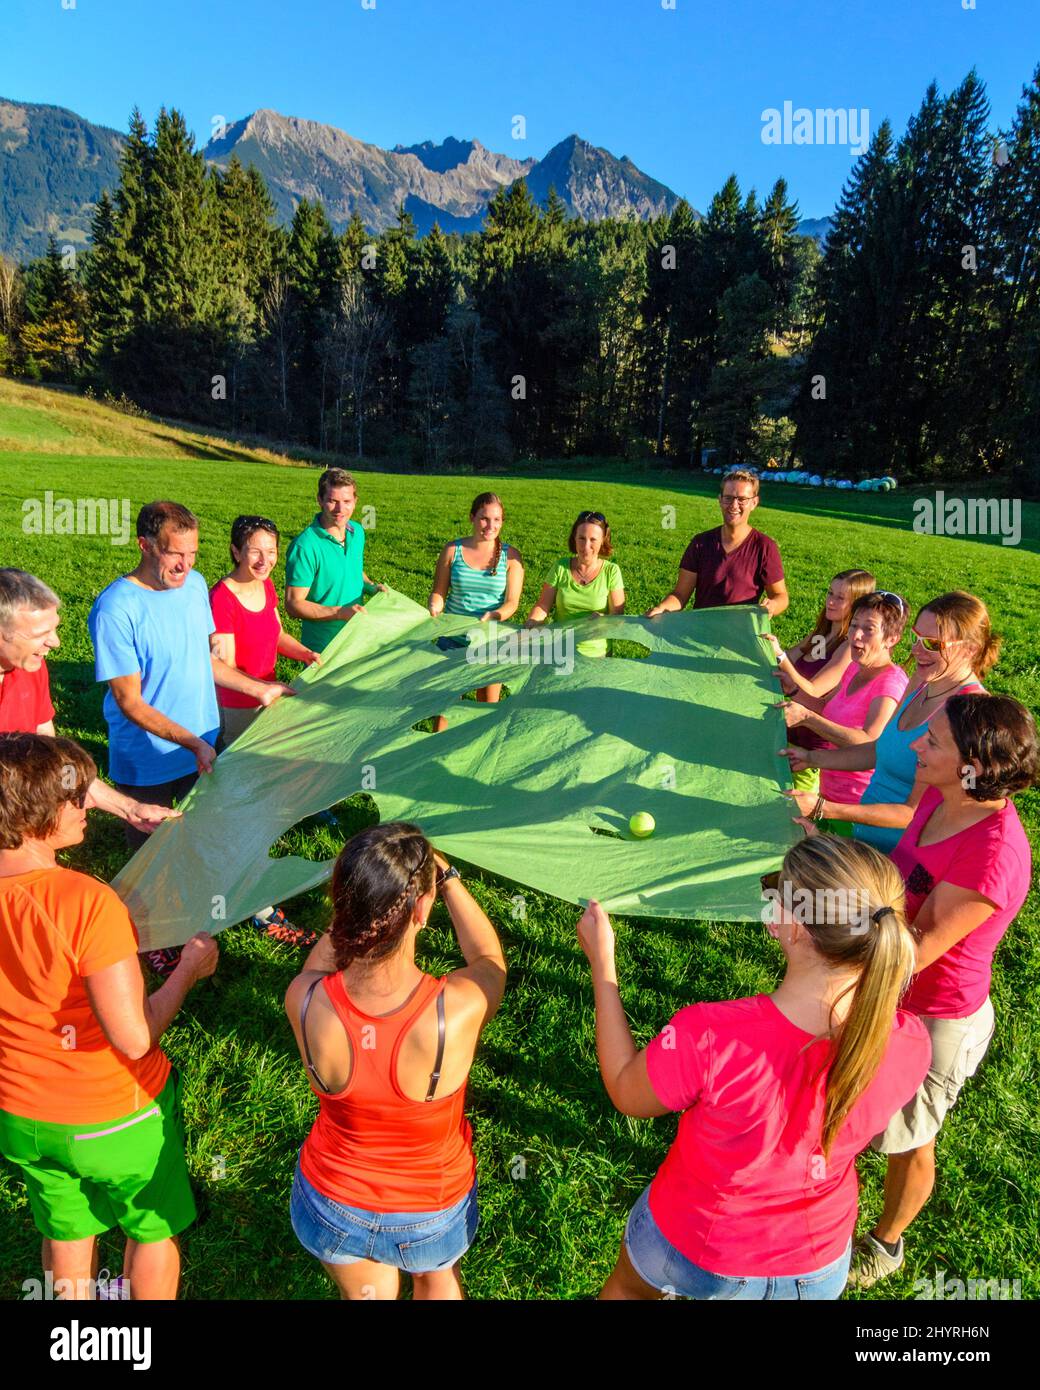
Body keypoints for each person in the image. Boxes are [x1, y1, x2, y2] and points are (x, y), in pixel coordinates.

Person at [577, 834, 930, 1300]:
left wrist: (603, 965)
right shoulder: (911, 1041)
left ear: (796, 927)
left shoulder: (710, 1035)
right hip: (819, 1266)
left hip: (697, 1247)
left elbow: (626, 1090)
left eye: (774, 890)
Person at [0, 733, 218, 1300]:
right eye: (75, 798)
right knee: (151, 1229)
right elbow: (135, 1036)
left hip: (21, 1114)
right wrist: (188, 969)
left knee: (66, 1234)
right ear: (37, 814)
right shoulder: (86, 901)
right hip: (114, 1114)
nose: (85, 805)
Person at [846, 694, 1038, 1288]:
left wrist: (831, 927)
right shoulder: (939, 792)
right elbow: (901, 872)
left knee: (908, 1136)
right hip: (887, 984)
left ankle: (886, 1243)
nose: (917, 747)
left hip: (934, 1014)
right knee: (853, 1103)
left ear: (972, 767)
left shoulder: (993, 854)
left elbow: (917, 950)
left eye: (932, 742)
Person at [284, 822, 506, 1301]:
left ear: (342, 907)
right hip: (431, 1211)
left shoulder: (303, 1000)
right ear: (420, 909)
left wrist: (351, 910)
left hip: (330, 1205)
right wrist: (448, 880)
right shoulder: (458, 1008)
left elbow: (320, 965)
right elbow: (489, 957)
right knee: (436, 1279)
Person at [89, 500, 295, 977]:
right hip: (150, 759)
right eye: (173, 554)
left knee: (216, 835)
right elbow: (130, 702)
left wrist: (258, 688)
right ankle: (149, 938)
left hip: (201, 744)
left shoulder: (195, 585)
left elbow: (207, 660)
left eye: (194, 554)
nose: (185, 565)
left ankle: (249, 907)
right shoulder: (116, 607)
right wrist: (192, 742)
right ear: (145, 545)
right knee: (154, 858)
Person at [782, 592, 996, 852]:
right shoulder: (920, 682)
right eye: (916, 637)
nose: (917, 650)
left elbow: (912, 812)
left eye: (932, 644)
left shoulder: (967, 712)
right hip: (865, 837)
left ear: (970, 649)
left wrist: (824, 809)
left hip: (902, 855)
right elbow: (879, 749)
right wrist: (811, 759)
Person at [209, 514, 322, 948]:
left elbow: (274, 635)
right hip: (241, 710)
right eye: (255, 550)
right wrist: (262, 690)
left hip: (269, 700)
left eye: (271, 551)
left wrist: (306, 652)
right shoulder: (223, 597)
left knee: (267, 788)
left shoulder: (267, 587)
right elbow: (225, 667)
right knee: (250, 796)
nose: (265, 559)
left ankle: (259, 866)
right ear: (236, 551)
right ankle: (254, 896)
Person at [0, 568, 175, 836]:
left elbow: (51, 760)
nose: (55, 642)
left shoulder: (30, 669)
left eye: (54, 628)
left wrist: (128, 808)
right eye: (39, 633)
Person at [768, 591, 909, 826]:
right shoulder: (855, 667)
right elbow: (826, 707)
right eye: (854, 626)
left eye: (869, 629)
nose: (856, 635)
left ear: (892, 638)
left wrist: (806, 718)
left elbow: (868, 742)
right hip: (828, 794)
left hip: (857, 807)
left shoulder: (890, 684)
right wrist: (794, 690)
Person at [428, 492, 524, 732]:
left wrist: (494, 615)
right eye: (484, 518)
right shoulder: (452, 550)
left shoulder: (510, 557)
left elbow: (512, 603)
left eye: (497, 519)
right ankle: (434, 749)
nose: (490, 526)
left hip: (491, 641)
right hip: (452, 640)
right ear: (472, 517)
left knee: (486, 710)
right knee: (444, 704)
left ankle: (479, 758)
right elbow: (438, 592)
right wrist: (434, 606)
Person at [774, 569, 876, 793]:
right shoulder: (822, 635)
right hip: (788, 737)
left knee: (796, 813)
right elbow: (784, 658)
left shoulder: (849, 646)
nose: (830, 601)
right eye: (830, 593)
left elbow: (813, 689)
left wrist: (781, 658)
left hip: (812, 751)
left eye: (840, 598)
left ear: (858, 606)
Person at [645, 470, 788, 619]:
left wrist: (772, 606)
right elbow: (680, 594)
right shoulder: (700, 543)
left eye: (742, 499)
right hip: (701, 631)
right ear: (720, 500)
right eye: (728, 498)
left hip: (740, 635)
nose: (734, 505)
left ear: (754, 503)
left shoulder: (764, 547)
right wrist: (662, 608)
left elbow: (780, 596)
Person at [284, 469, 386, 656]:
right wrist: (340, 613)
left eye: (347, 502)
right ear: (320, 500)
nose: (340, 509)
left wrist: (371, 587)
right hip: (323, 649)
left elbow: (353, 570)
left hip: (356, 638)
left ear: (355, 501)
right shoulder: (305, 546)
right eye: (333, 501)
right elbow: (293, 604)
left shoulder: (356, 532)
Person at [524, 510, 625, 659]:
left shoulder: (611, 571)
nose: (586, 546)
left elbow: (617, 615)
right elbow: (543, 605)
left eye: (593, 539)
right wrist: (531, 623)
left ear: (603, 539)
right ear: (574, 538)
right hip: (560, 650)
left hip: (596, 655)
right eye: (582, 538)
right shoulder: (560, 567)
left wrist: (604, 620)